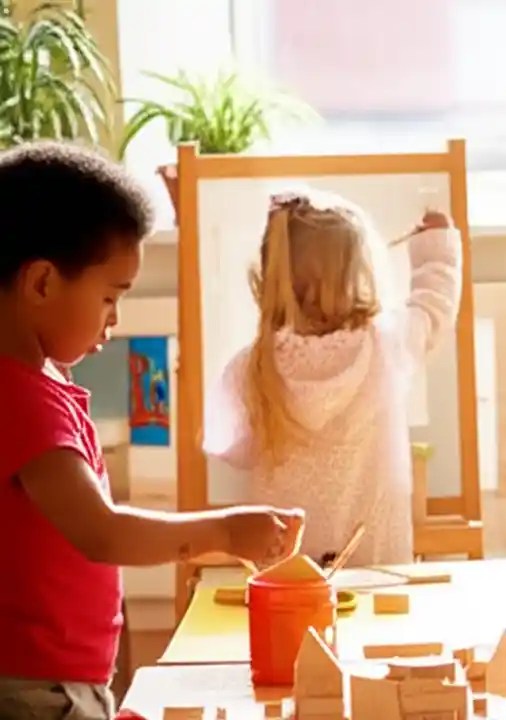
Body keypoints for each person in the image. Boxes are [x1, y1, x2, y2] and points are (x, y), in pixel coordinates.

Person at [0, 141, 305, 720]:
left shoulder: (39, 384)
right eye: (110, 296)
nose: (114, 319)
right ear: (41, 283)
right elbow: (103, 534)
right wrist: (224, 532)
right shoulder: (19, 399)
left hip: (59, 687)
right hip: (35, 696)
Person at [204, 189, 462, 568]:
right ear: (360, 274)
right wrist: (435, 246)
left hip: (285, 579)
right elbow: (433, 306)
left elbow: (231, 450)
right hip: (380, 566)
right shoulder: (387, 345)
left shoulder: (250, 367)